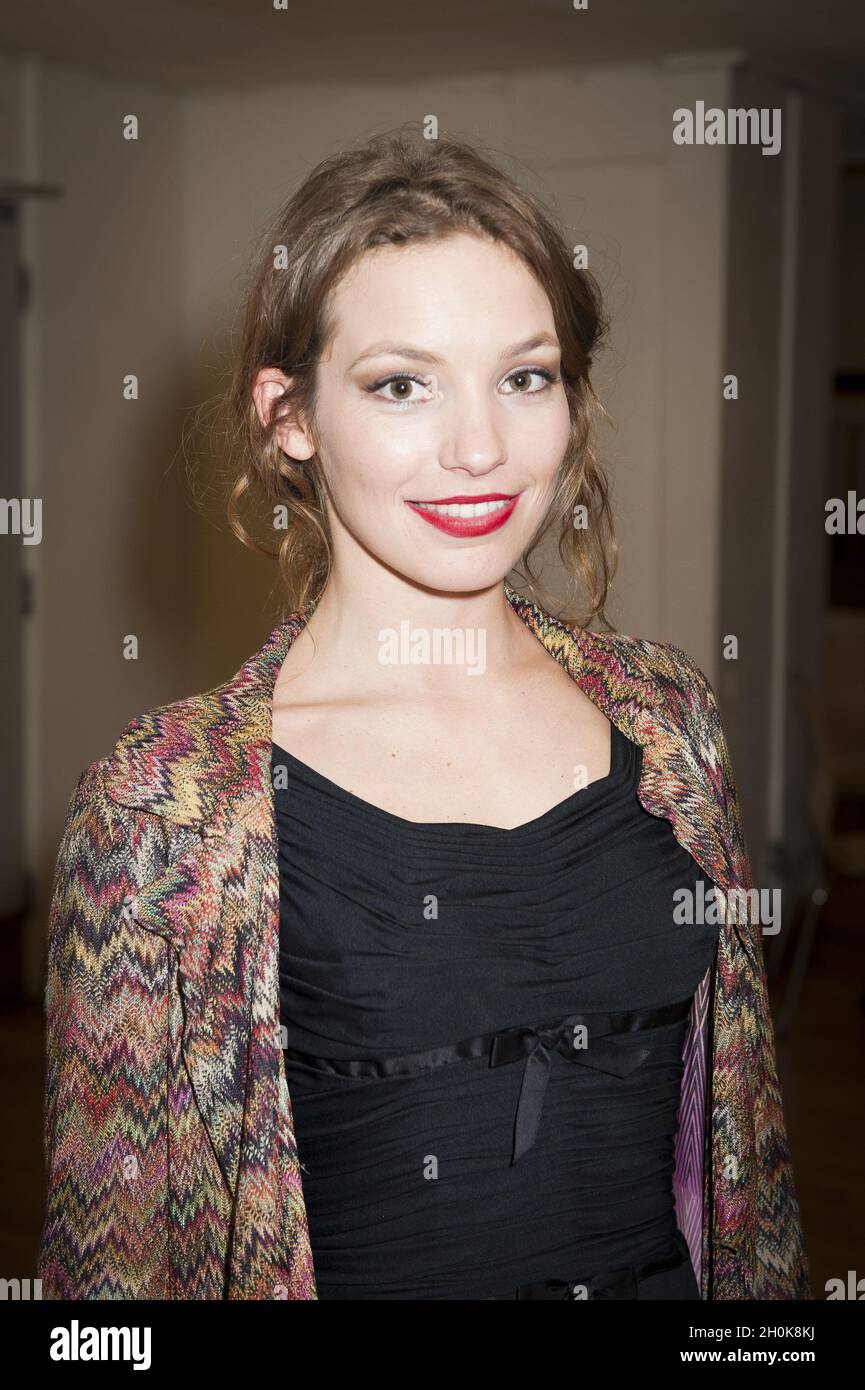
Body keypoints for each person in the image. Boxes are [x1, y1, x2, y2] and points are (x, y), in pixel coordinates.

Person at [37, 129, 810, 1300]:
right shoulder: (161, 811)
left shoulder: (668, 722)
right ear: (288, 413)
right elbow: (112, 1288)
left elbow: (746, 1164)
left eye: (524, 375)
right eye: (403, 383)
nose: (480, 448)